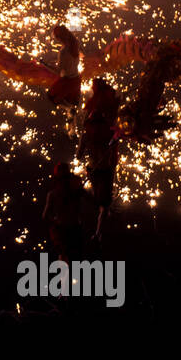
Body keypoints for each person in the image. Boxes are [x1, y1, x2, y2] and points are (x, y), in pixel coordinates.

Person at [77, 78, 121, 239]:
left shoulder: (86, 133)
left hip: (93, 166)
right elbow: (115, 139)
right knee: (103, 200)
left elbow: (79, 154)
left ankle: (101, 219)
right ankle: (100, 225)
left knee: (98, 196)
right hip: (106, 167)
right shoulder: (108, 130)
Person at [43, 161, 88, 263]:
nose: (64, 181)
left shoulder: (76, 191)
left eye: (66, 178)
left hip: (74, 229)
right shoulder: (53, 194)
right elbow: (45, 216)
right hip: (62, 230)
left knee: (75, 259)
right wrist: (56, 222)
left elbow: (93, 200)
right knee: (65, 259)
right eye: (62, 179)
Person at [47, 24, 83, 106]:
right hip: (76, 79)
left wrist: (46, 66)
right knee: (73, 102)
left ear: (59, 38)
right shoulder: (75, 45)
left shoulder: (63, 52)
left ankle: (68, 108)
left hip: (68, 82)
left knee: (51, 96)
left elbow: (58, 71)